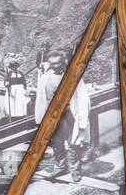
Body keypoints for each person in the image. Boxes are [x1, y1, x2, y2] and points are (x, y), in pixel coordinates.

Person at [34, 49, 92, 181]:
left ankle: (75, 170)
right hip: (53, 115)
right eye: (52, 64)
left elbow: (83, 97)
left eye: (57, 63)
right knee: (56, 141)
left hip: (69, 113)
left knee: (74, 142)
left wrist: (82, 117)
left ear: (63, 62)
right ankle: (60, 167)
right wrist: (40, 117)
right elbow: (41, 99)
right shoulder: (46, 78)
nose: (55, 66)